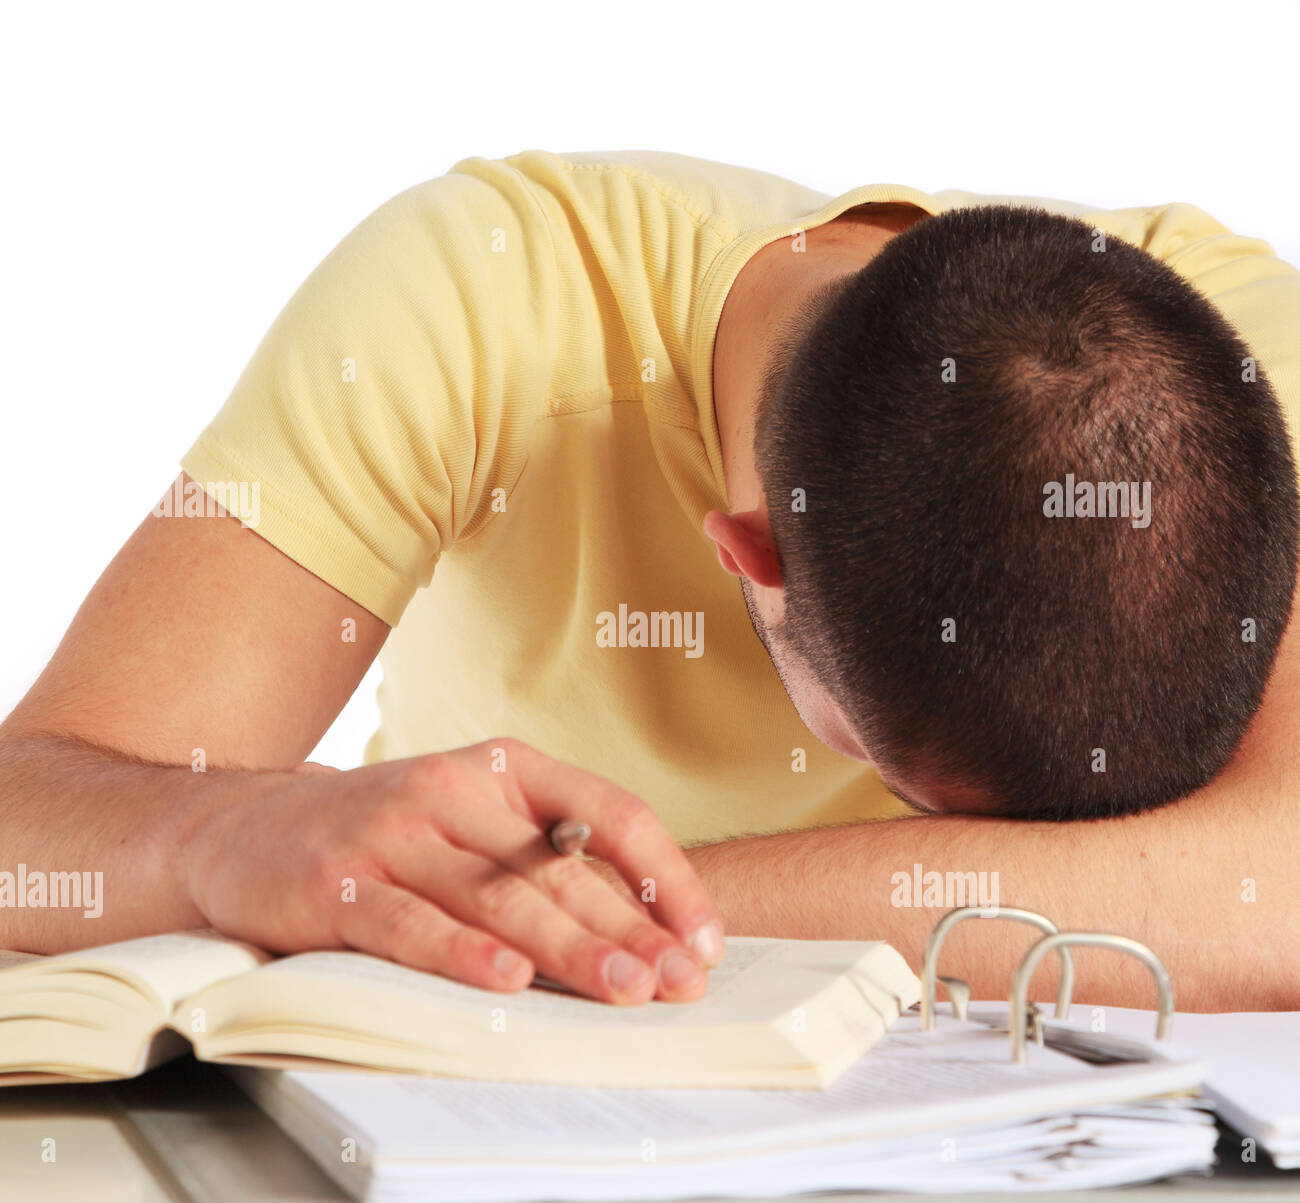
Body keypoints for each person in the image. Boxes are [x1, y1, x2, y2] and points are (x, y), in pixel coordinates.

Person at [3, 150, 1297, 1009]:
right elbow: (26, 821)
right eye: (934, 809)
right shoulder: (475, 299)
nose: (1015, 865)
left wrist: (576, 913)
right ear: (748, 556)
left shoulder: (1248, 350)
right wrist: (220, 833)